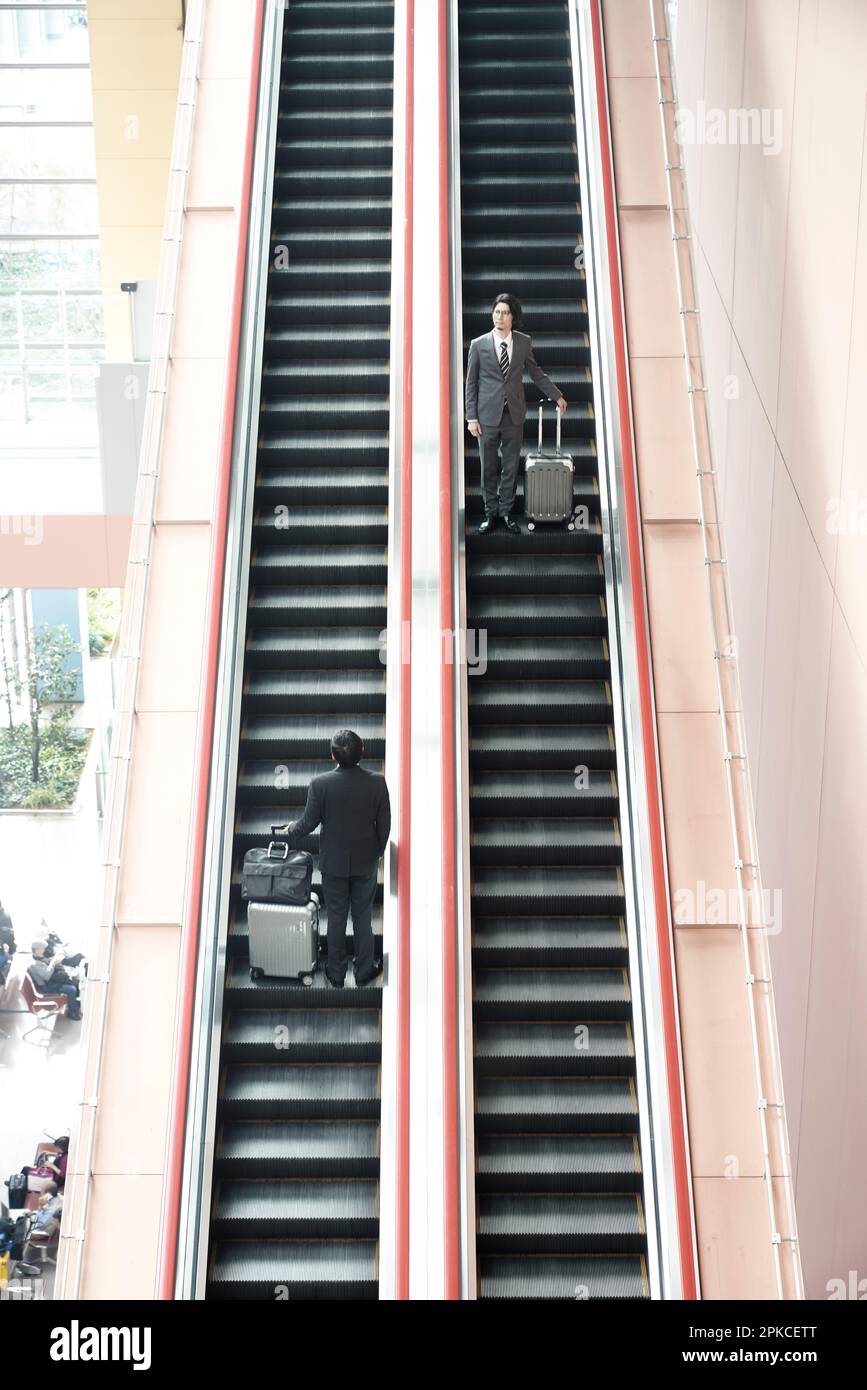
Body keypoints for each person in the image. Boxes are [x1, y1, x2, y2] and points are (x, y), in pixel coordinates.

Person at [276, 729, 390, 989]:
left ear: (332, 755)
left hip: (334, 864)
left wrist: (290, 830)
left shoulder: (320, 784)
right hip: (365, 862)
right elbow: (385, 825)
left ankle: (336, 973)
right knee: (363, 916)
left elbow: (308, 823)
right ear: (362, 751)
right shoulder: (377, 783)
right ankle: (363, 971)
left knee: (336, 917)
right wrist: (378, 850)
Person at [465, 292, 568, 534]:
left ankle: (506, 513)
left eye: (505, 313)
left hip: (514, 415)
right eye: (496, 312)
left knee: (510, 467)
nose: (499, 317)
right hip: (486, 416)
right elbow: (471, 383)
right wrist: (471, 417)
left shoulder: (523, 342)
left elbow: (536, 373)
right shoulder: (478, 345)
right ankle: (490, 513)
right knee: (488, 467)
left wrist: (557, 395)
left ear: (513, 317)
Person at [28, 940, 85, 1021]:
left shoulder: (38, 958)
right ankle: (72, 1011)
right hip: (47, 986)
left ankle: (73, 1004)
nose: (44, 950)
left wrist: (54, 959)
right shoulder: (34, 964)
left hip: (50, 981)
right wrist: (53, 963)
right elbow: (47, 976)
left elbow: (46, 966)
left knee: (75, 982)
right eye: (42, 949)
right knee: (71, 989)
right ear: (37, 950)